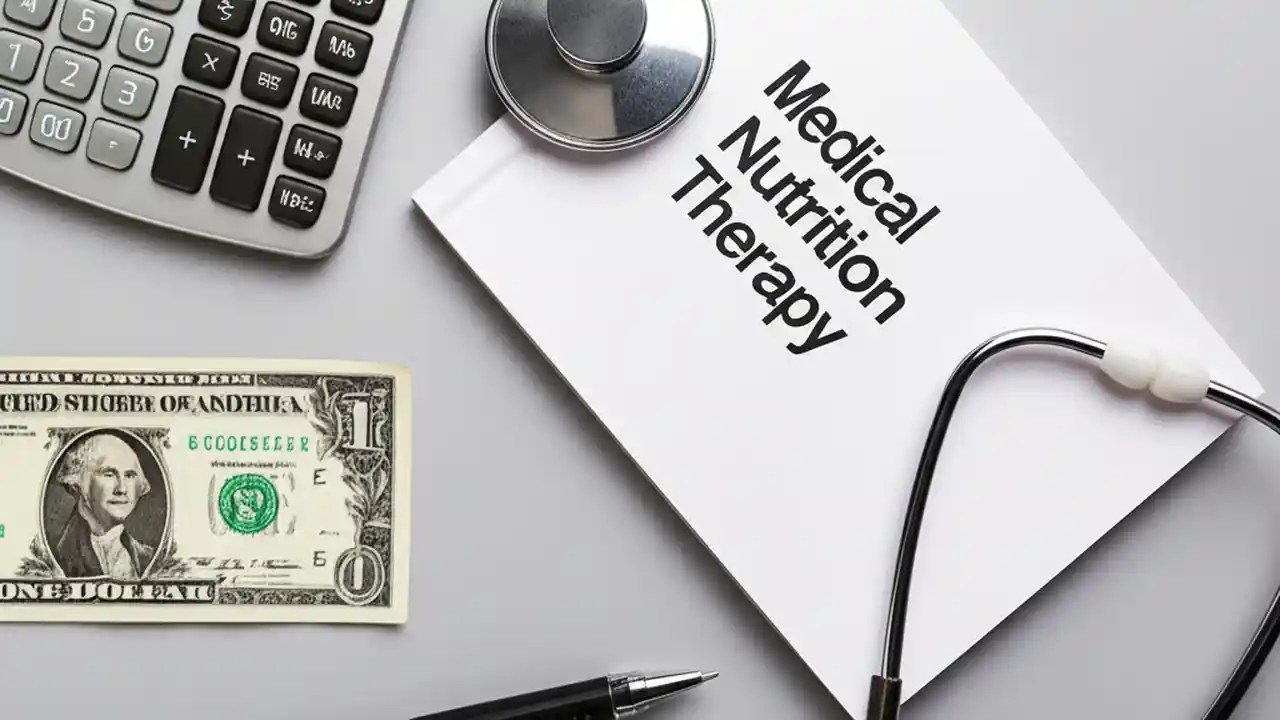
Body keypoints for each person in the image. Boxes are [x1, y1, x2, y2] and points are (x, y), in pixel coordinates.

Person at [51, 432, 157, 580]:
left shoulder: (148, 559)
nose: (122, 489)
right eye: (109, 474)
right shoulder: (54, 557)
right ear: (77, 484)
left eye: (130, 475)